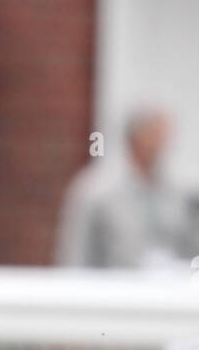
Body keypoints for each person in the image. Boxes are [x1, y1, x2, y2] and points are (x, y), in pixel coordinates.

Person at [56, 109, 190, 269]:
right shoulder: (96, 190)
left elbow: (184, 246)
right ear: (135, 138)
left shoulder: (173, 193)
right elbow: (75, 252)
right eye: (155, 136)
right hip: (110, 290)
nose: (161, 145)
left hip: (162, 290)